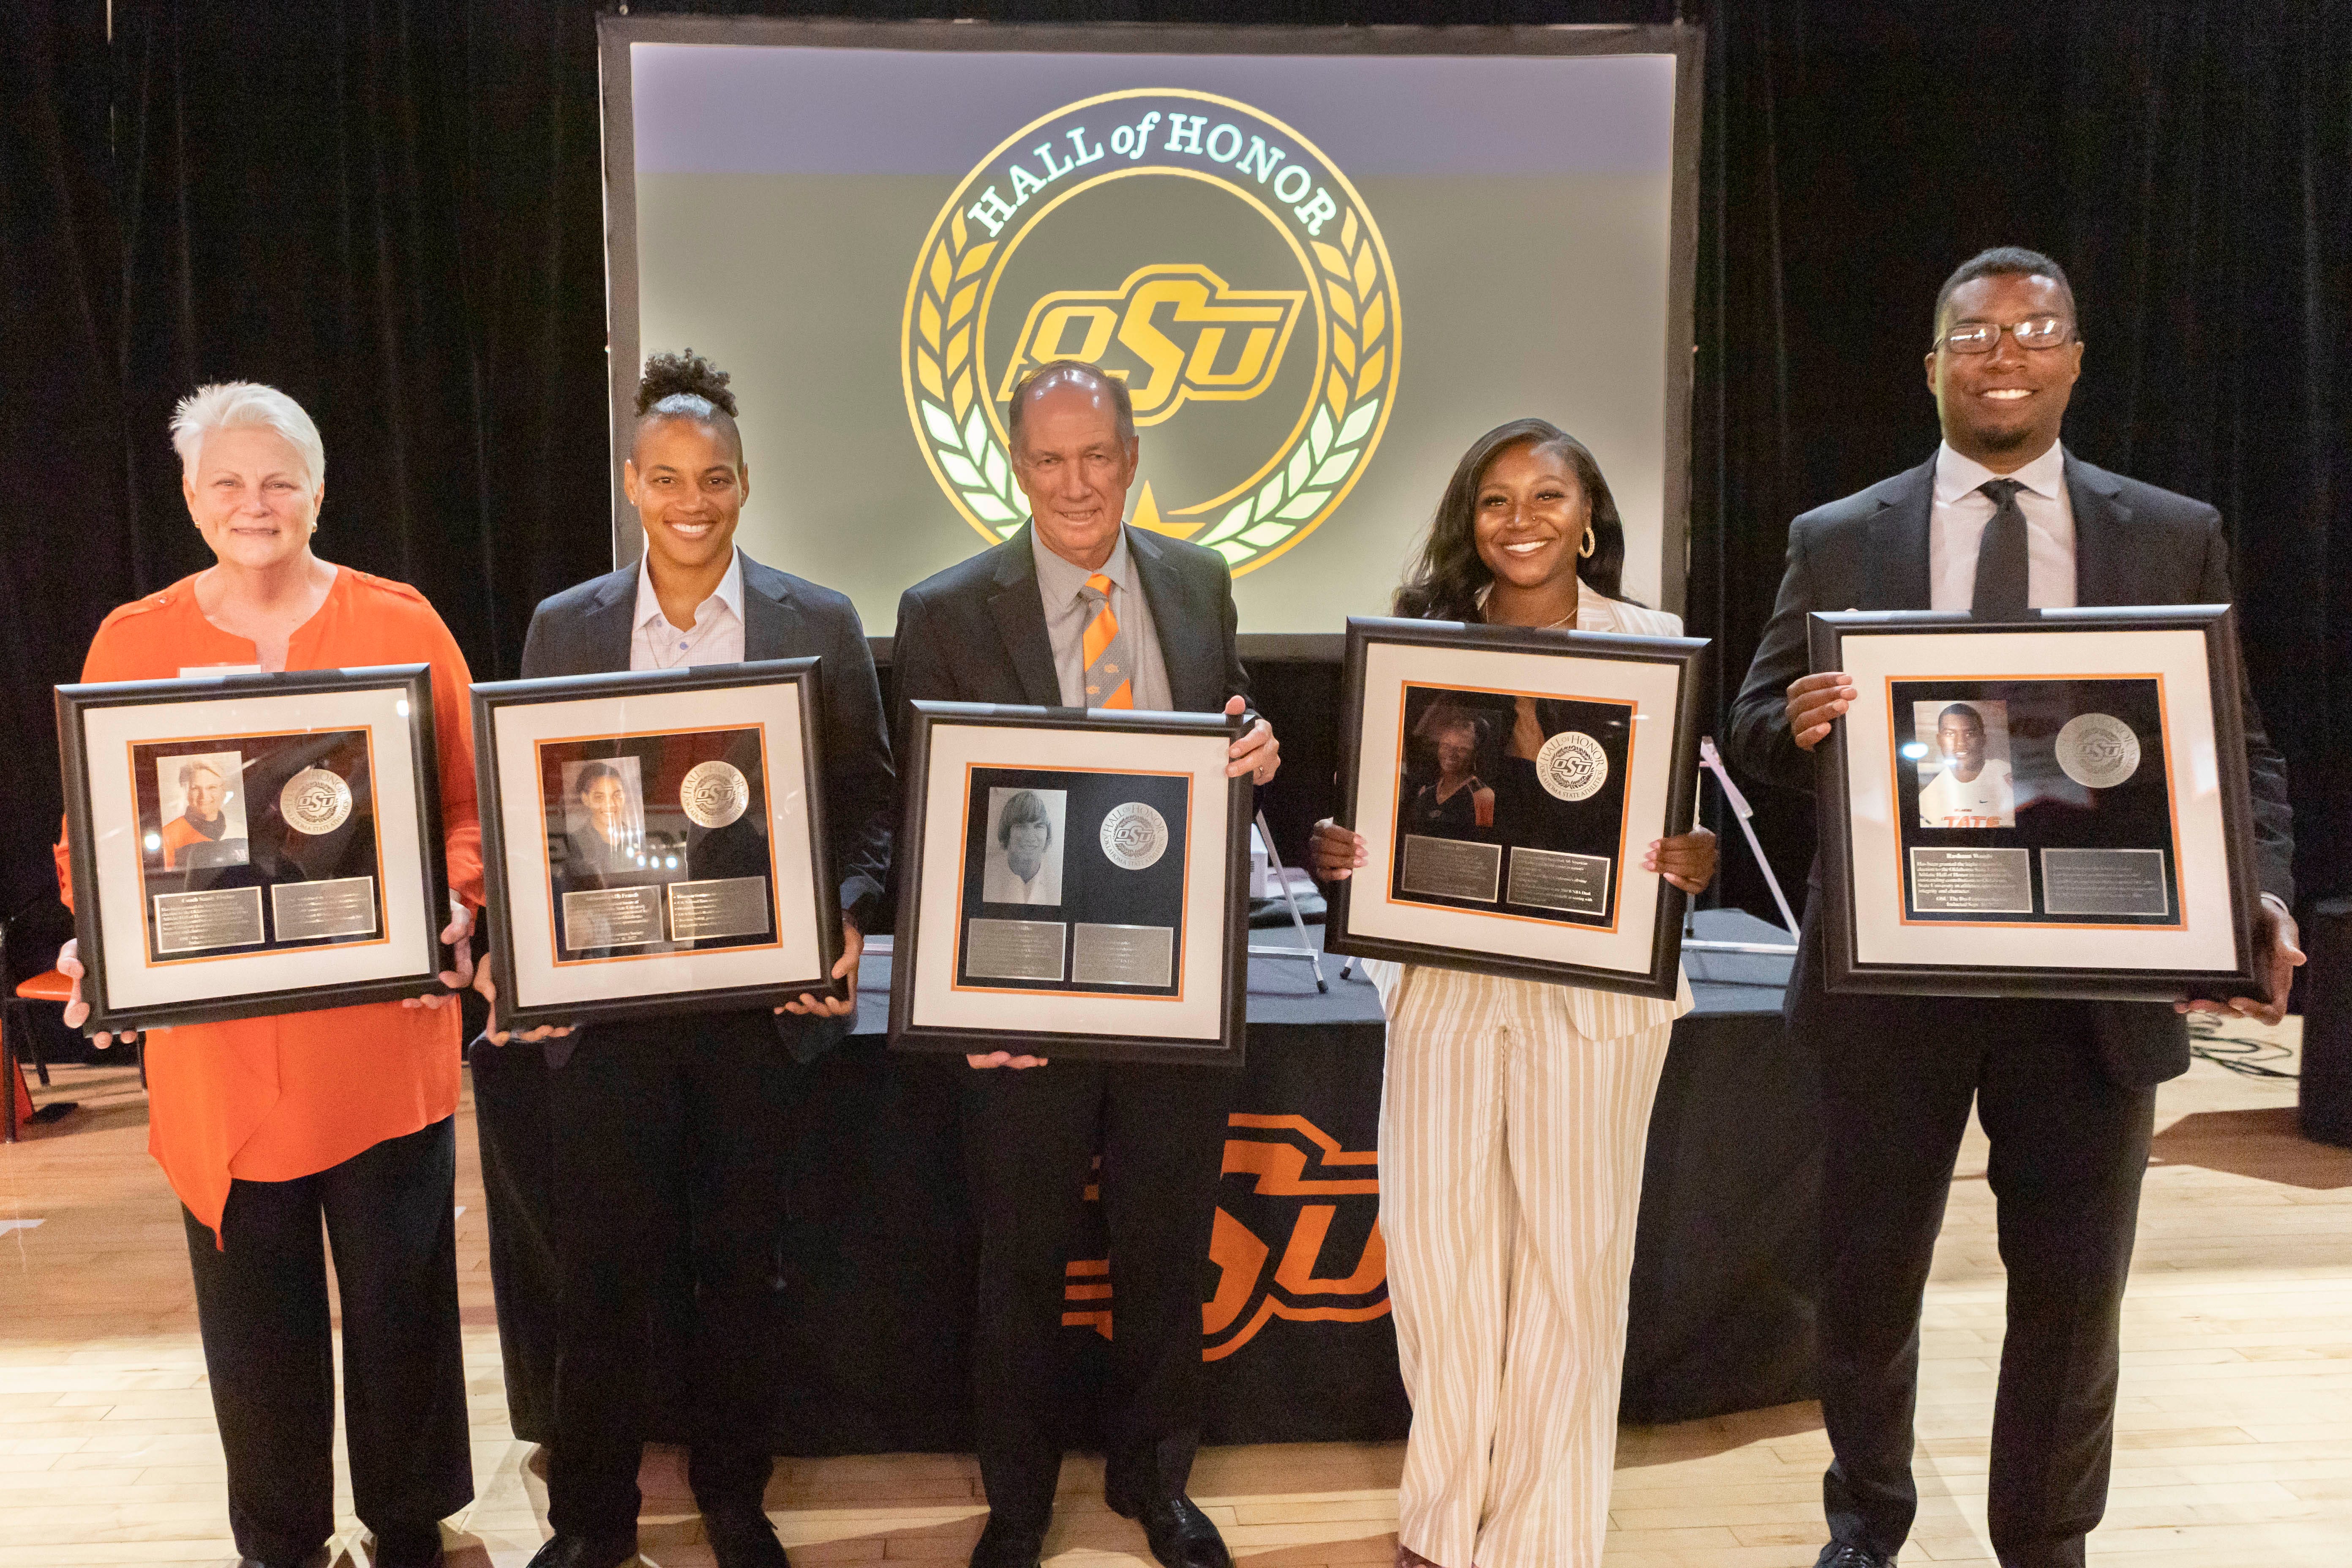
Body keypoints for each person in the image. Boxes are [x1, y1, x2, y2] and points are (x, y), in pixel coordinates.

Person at [1724, 247, 2301, 1568]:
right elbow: (1754, 723)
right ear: (1929, 365)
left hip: (2090, 986)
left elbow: (2235, 746)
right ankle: (1866, 1521)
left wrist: (2253, 886)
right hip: (1893, 982)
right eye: (1973, 333)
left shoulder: (2167, 530)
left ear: (2074, 360)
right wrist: (1799, 723)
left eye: (2032, 330)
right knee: (1864, 1287)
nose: (2002, 352)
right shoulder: (1838, 534)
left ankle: (2043, 1543)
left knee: (2069, 1300)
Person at [55, 382, 481, 1568]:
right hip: (219, 1059)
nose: (256, 503)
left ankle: (411, 1523)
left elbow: (466, 809)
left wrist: (451, 900)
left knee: (401, 1307)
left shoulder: (402, 620)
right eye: (229, 483)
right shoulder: (132, 639)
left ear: (319, 491)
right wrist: (101, 933)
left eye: (279, 478)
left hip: (378, 1041)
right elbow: (89, 841)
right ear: (192, 500)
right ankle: (282, 1540)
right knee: (256, 1327)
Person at [490, 351, 891, 1568]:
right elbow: (534, 810)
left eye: (712, 477)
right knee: (604, 1274)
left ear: (745, 481)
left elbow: (871, 804)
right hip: (610, 1009)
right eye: (665, 477)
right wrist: (532, 951)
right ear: (631, 482)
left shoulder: (812, 621)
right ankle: (592, 1520)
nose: (691, 499)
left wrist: (846, 906)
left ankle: (733, 1497)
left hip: (757, 1006)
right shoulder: (567, 624)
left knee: (737, 1270)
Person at [1307, 420, 1717, 1568]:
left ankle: (1540, 1535)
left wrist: (1695, 858)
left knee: (1570, 1264)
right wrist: (1339, 845)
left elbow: (1672, 832)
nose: (1521, 517)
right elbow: (1372, 814)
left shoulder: (1649, 647)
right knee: (1438, 1260)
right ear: (1467, 519)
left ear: (1588, 517)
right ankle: (1440, 1519)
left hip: (1592, 1003)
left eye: (1547, 494)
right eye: (1494, 498)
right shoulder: (1420, 647)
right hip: (1441, 987)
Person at [891, 359, 1280, 1568]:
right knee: (1021, 1256)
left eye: (1097, 454)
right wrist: (966, 999)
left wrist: (1253, 740)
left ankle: (1154, 1480)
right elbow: (932, 817)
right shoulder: (946, 607)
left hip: (1174, 977)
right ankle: (1016, 1501)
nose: (1075, 481)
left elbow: (1223, 719)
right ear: (1016, 465)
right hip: (1022, 999)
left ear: (1130, 458)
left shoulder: (1197, 578)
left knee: (1165, 1249)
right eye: (1049, 457)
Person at [1917, 702, 2013, 827]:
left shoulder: (2008, 777)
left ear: (1983, 739)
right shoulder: (1928, 796)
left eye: (1970, 734)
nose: (1961, 744)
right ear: (1939, 740)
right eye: (1950, 734)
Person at [1402, 709, 1494, 838]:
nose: (1451, 754)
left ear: (1475, 754)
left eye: (1462, 749)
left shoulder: (1482, 796)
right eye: (1446, 745)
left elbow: (1485, 843)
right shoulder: (1425, 790)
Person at [981, 789, 1062, 904]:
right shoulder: (988, 880)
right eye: (1022, 827)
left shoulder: (1056, 885)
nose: (1030, 836)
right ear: (1007, 833)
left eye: (1039, 827)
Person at [564, 761, 640, 878]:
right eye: (599, 797)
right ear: (585, 799)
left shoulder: (639, 838)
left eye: (617, 795)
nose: (610, 804)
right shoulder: (575, 845)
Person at [160, 758, 239, 867]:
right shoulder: (168, 836)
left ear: (223, 791)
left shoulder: (240, 831)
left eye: (212, 788)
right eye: (196, 789)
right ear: (186, 792)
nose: (204, 796)